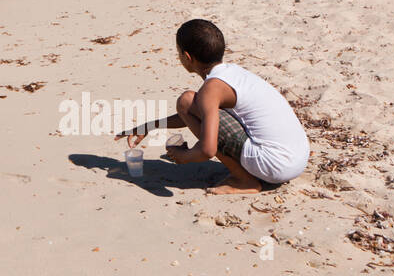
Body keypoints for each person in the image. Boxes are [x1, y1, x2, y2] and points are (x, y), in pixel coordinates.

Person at [117, 19, 310, 195]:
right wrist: (150, 125)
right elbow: (194, 114)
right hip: (297, 158)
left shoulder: (211, 89)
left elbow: (207, 150)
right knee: (191, 103)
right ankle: (248, 173)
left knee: (186, 99)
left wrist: (184, 157)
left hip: (274, 165)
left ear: (187, 57)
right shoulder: (233, 74)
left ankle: (244, 180)